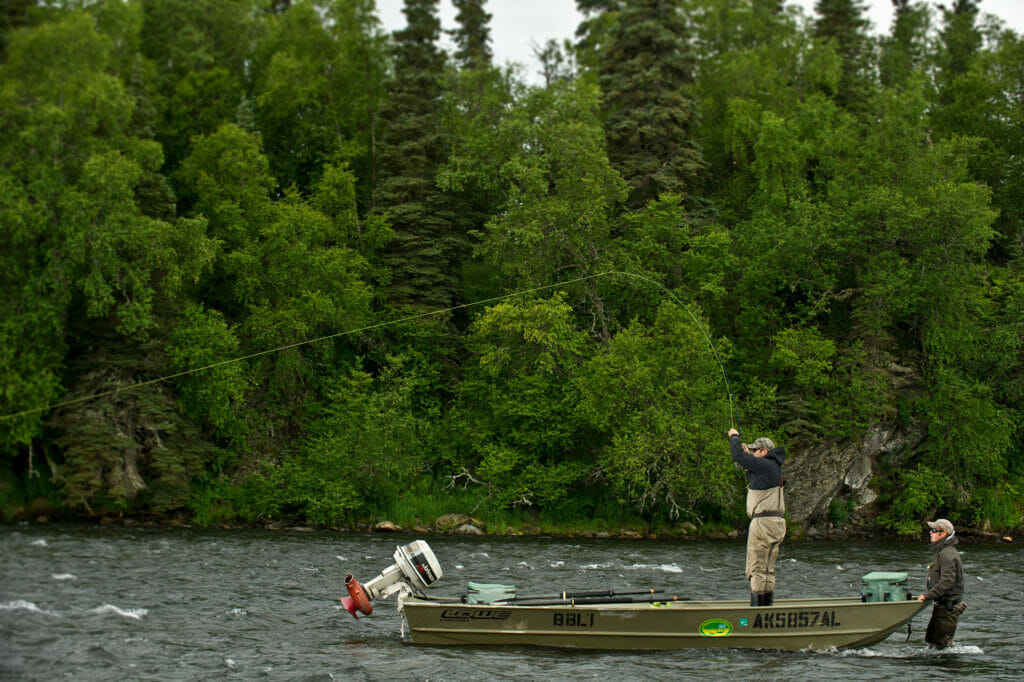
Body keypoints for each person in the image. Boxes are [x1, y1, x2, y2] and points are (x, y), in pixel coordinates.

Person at [728, 428, 786, 607]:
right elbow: (748, 467)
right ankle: (767, 607)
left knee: (757, 567)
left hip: (763, 523)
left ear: (764, 451)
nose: (753, 452)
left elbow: (737, 456)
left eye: (755, 450)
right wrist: (749, 458)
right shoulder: (773, 467)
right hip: (777, 523)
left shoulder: (765, 465)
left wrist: (734, 437)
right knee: (768, 568)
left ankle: (757, 611)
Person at [917, 518, 965, 649]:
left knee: (941, 648)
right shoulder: (942, 551)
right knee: (932, 643)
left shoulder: (946, 554)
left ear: (943, 534)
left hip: (949, 607)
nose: (930, 533)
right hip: (942, 605)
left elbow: (948, 581)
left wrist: (927, 595)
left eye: (933, 530)